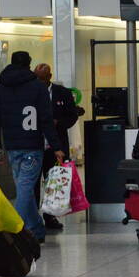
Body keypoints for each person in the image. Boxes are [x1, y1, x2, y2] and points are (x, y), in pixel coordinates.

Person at [0, 51, 62, 243]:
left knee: (23, 187)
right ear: (29, 65)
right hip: (32, 145)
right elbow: (45, 119)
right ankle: (17, 232)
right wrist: (56, 146)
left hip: (12, 146)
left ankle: (36, 229)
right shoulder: (38, 87)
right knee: (25, 188)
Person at [33, 63, 81, 233]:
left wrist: (58, 123)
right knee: (34, 184)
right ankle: (34, 218)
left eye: (43, 78)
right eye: (37, 77)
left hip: (56, 146)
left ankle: (50, 216)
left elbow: (72, 116)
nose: (39, 81)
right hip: (35, 145)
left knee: (53, 183)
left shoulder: (63, 93)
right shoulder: (30, 92)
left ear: (49, 76)